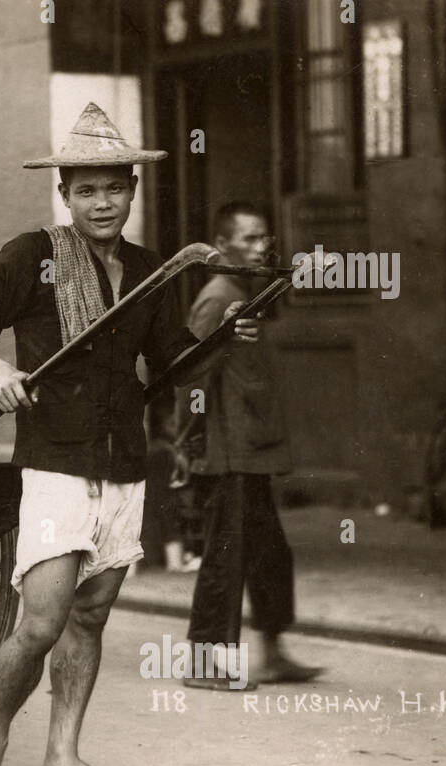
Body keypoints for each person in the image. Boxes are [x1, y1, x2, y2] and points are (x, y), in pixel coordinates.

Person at [0, 103, 261, 766]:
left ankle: (63, 753)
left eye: (114, 187)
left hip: (123, 463)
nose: (102, 203)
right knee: (43, 619)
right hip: (55, 462)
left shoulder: (151, 270)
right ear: (64, 195)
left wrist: (220, 342)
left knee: (90, 618)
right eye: (85, 190)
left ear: (132, 191)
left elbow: (171, 361)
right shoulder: (32, 255)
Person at [177, 202, 323, 689]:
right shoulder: (219, 296)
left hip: (251, 450)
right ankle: (201, 661)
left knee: (269, 553)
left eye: (265, 238)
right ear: (224, 246)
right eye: (252, 238)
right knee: (226, 554)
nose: (264, 246)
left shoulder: (249, 292)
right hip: (226, 453)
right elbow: (185, 374)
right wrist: (190, 448)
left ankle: (274, 651)